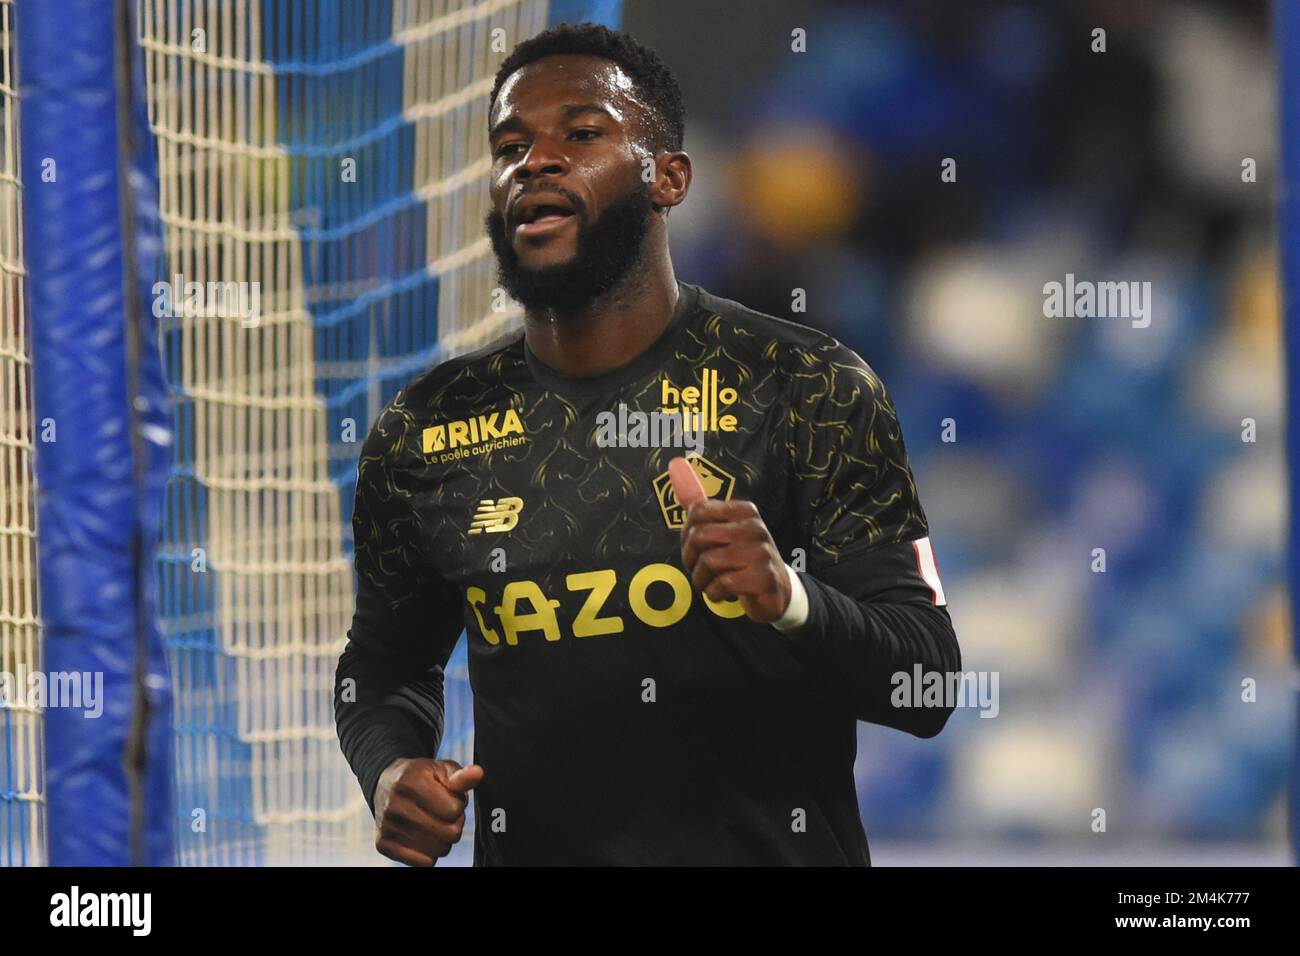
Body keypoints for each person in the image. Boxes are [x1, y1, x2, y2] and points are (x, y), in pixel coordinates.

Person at [334, 22, 959, 866]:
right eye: (510, 144)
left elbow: (929, 682)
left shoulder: (807, 385)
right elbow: (382, 667)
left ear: (669, 178)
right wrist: (391, 768)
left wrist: (791, 599)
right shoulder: (429, 430)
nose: (536, 161)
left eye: (583, 134)